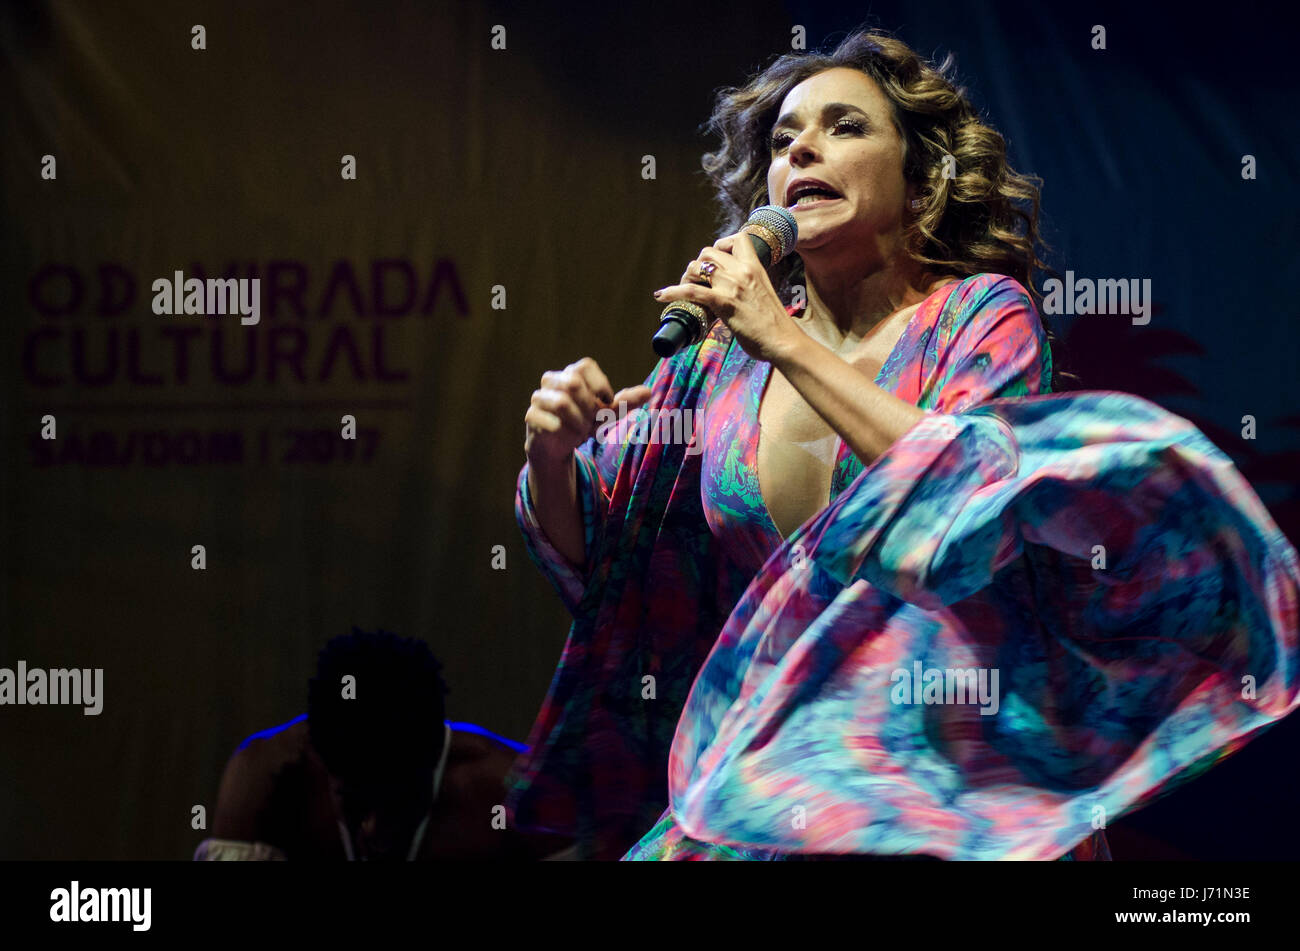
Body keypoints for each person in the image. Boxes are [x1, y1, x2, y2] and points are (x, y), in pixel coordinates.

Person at [508, 29, 1300, 860]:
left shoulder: (976, 317)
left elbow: (967, 493)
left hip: (953, 778)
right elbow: (610, 554)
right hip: (781, 777)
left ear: (921, 183)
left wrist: (784, 339)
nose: (803, 147)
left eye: (845, 127)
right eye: (784, 140)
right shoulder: (718, 364)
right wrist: (553, 452)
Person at [194, 628, 573, 860]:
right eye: (355, 804)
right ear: (321, 763)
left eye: (398, 805)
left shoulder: (511, 792)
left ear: (435, 761)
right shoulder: (269, 779)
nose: (374, 830)